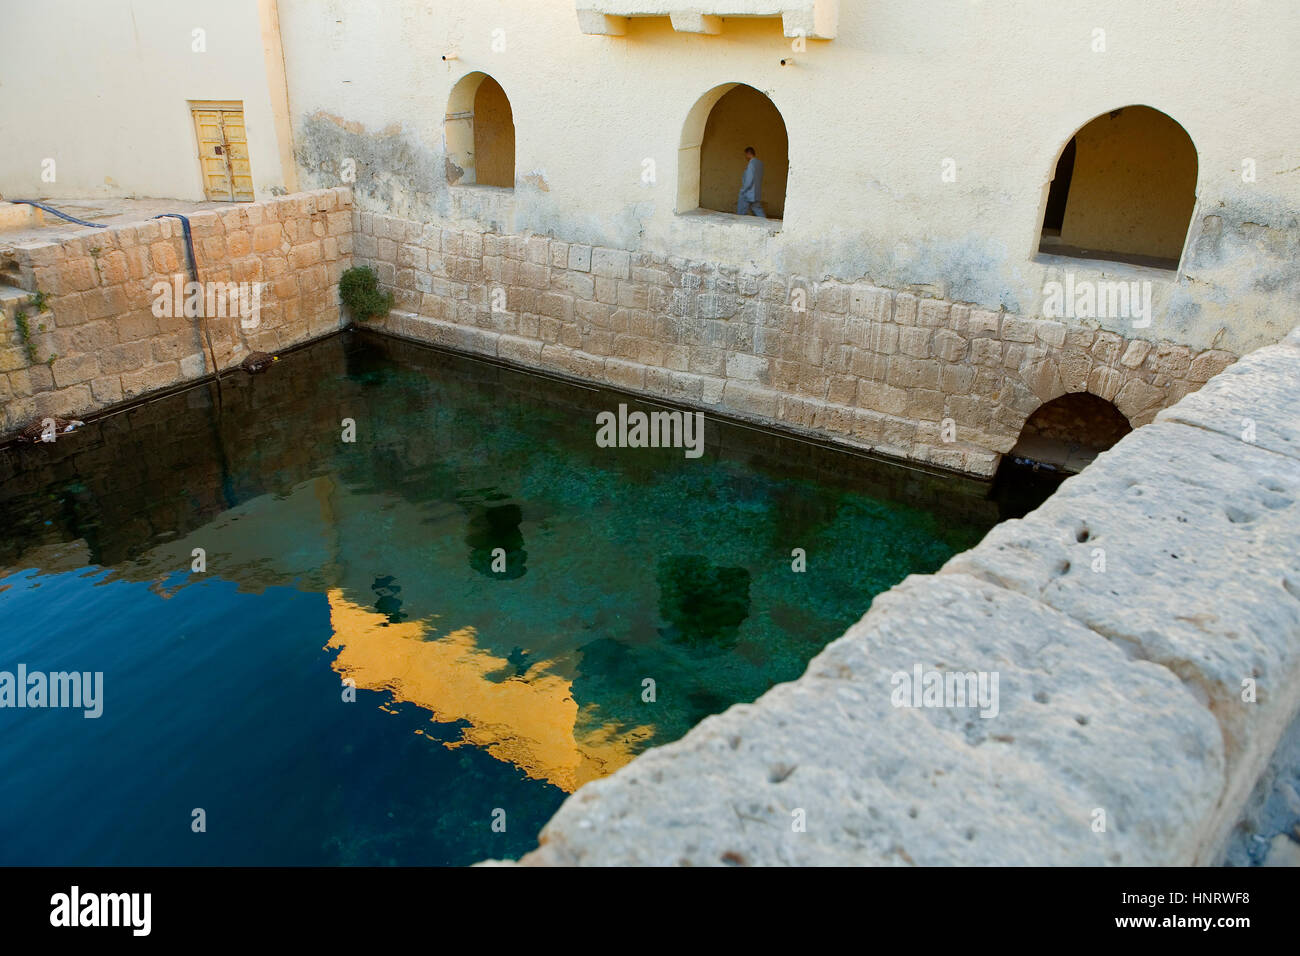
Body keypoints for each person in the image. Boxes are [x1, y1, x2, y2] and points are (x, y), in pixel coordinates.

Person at [736, 146, 765, 217]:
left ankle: (739, 222)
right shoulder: (760, 164)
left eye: (745, 155)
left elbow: (749, 179)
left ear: (748, 154)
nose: (745, 157)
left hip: (749, 191)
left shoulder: (751, 164)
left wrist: (743, 190)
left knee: (741, 209)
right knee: (757, 209)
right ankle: (765, 222)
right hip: (757, 191)